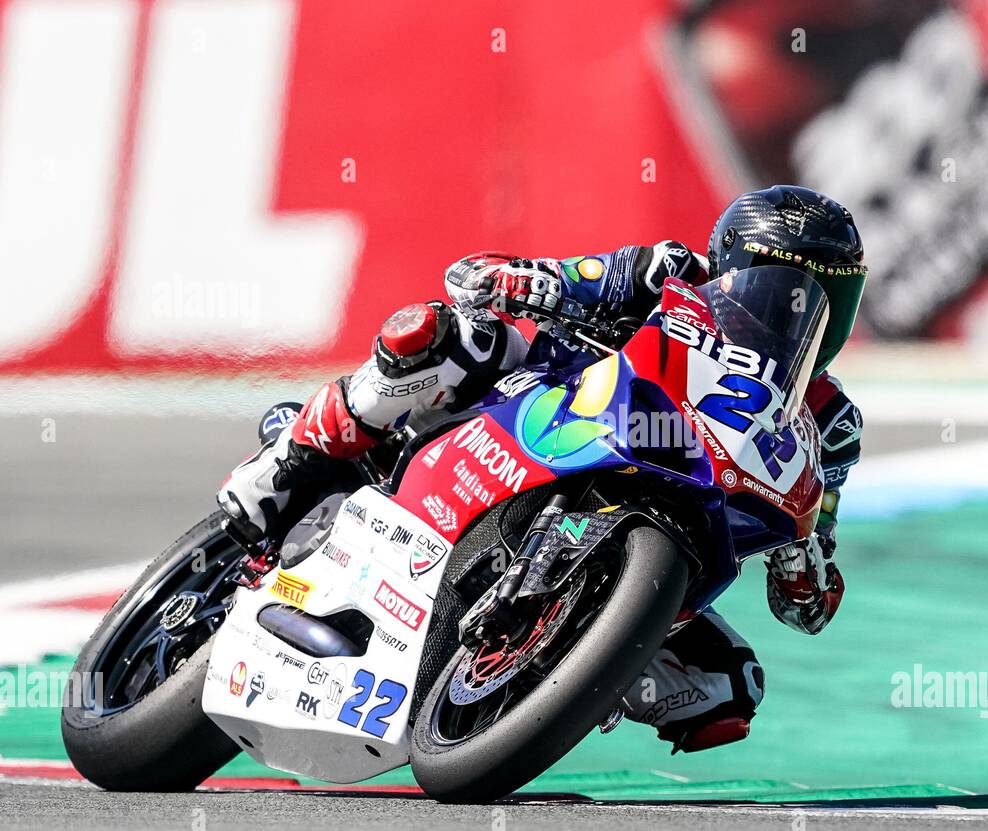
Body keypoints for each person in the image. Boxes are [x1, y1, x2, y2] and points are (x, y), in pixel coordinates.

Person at [218, 185, 866, 753]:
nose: (804, 308)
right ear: (734, 263)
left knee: (729, 687)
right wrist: (531, 282)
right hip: (542, 405)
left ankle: (571, 668)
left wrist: (803, 563)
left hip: (674, 503)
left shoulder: (830, 422)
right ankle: (290, 465)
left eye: (833, 292)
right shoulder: (668, 272)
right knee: (447, 336)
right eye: (787, 282)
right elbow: (556, 276)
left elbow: (809, 590)